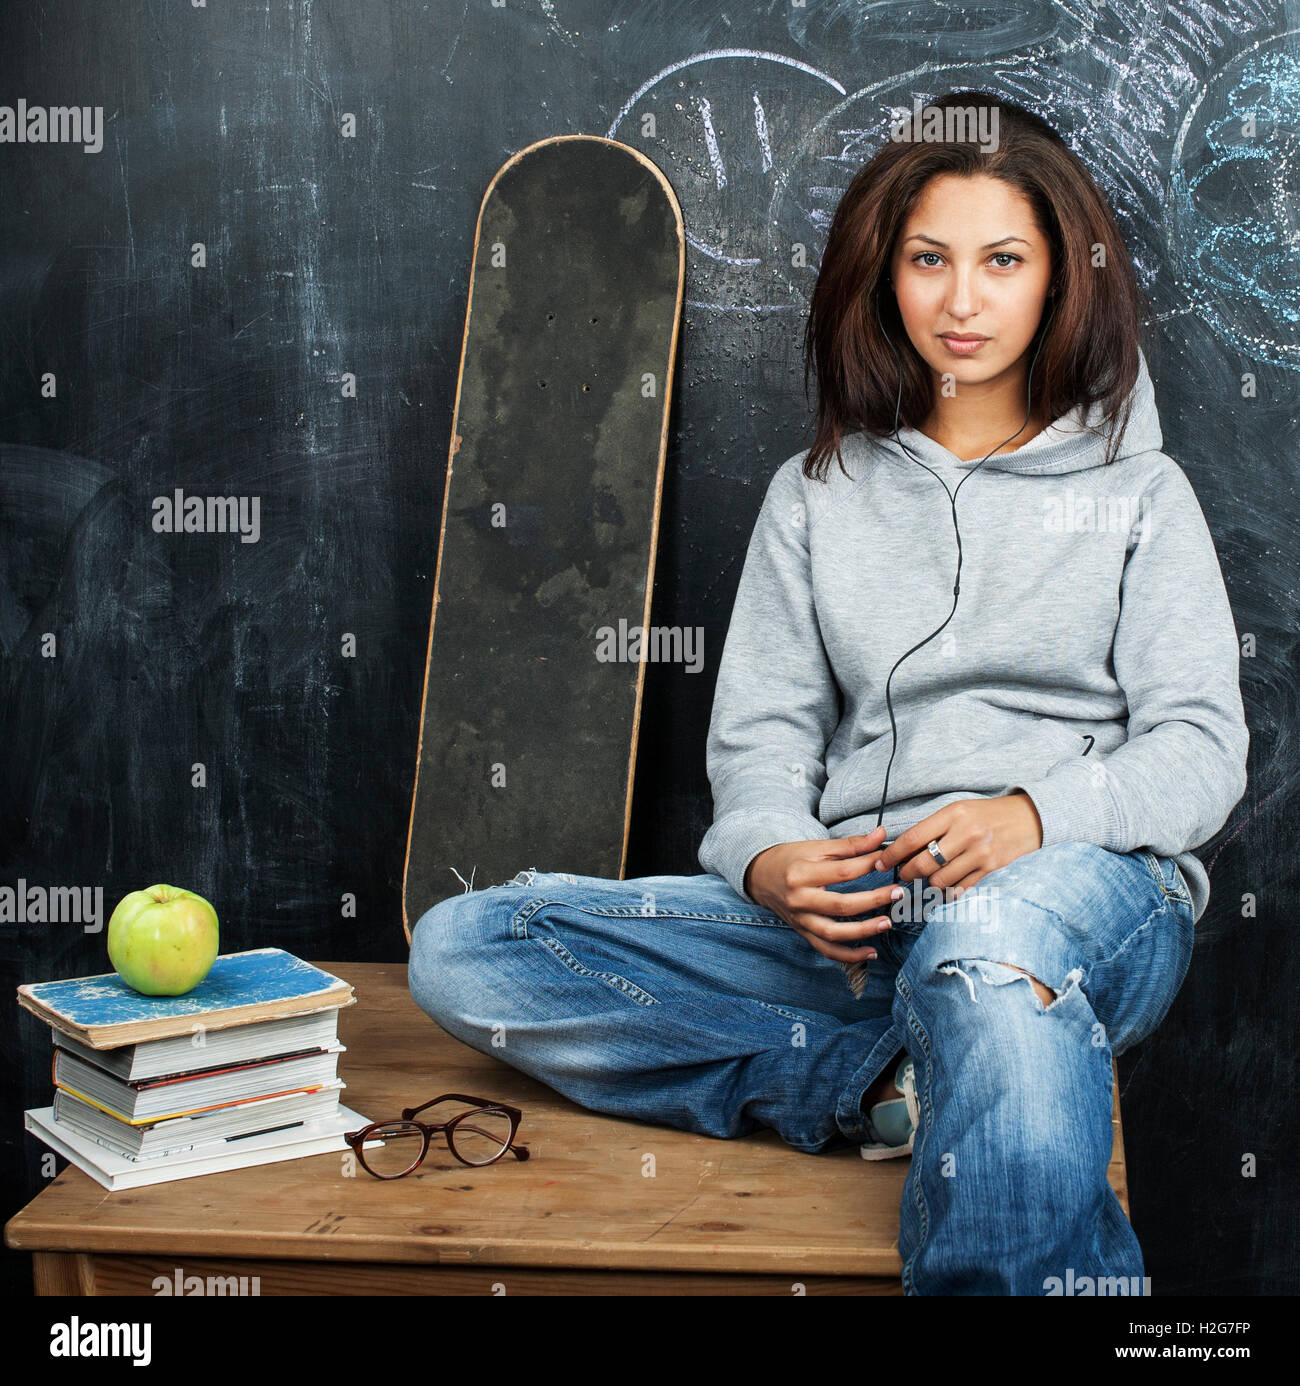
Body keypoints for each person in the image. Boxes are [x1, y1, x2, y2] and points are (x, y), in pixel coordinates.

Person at [408, 90, 1249, 1294]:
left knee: (986, 945)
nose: (963, 302)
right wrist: (768, 860)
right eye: (928, 261)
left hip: (1076, 894)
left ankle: (953, 1054)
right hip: (863, 910)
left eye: (1002, 261)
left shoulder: (1141, 495)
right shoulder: (813, 496)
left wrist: (1030, 815)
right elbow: (758, 754)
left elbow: (1202, 751)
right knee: (469, 945)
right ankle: (881, 1083)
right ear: (883, 276)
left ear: (1061, 278)